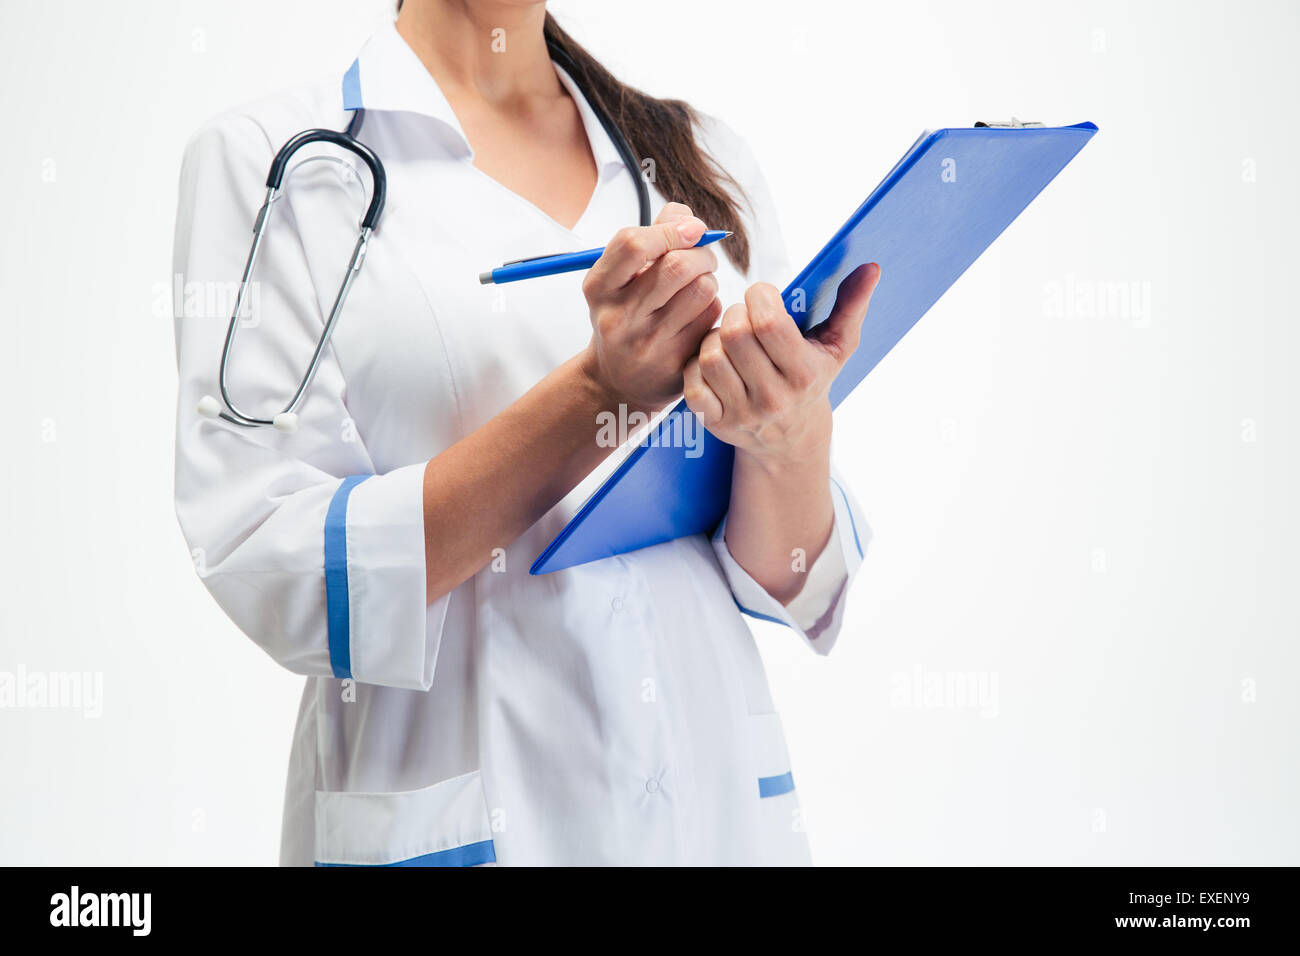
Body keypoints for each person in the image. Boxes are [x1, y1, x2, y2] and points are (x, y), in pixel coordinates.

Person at [172, 0, 880, 866]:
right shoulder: (277, 162)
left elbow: (797, 584)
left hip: (715, 806)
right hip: (464, 812)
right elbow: (275, 568)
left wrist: (790, 436)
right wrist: (595, 395)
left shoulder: (698, 159)